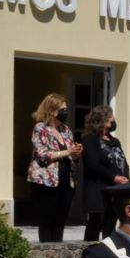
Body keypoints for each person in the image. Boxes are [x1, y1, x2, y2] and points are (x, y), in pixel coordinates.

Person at [26, 93, 79, 244]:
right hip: (46, 182)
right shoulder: (40, 128)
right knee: (47, 219)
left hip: (66, 181)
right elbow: (42, 154)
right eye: (62, 109)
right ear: (51, 110)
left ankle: (58, 252)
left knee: (60, 220)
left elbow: (70, 153)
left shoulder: (66, 130)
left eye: (66, 109)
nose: (65, 112)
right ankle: (47, 253)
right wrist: (67, 152)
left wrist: (75, 153)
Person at [80, 106, 127, 243]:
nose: (113, 120)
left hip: (115, 191)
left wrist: (126, 180)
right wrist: (114, 177)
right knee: (96, 223)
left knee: (110, 225)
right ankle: (90, 256)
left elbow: (124, 162)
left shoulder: (114, 141)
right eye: (111, 117)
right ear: (103, 120)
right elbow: (93, 165)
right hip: (97, 190)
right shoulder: (90, 139)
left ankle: (109, 257)